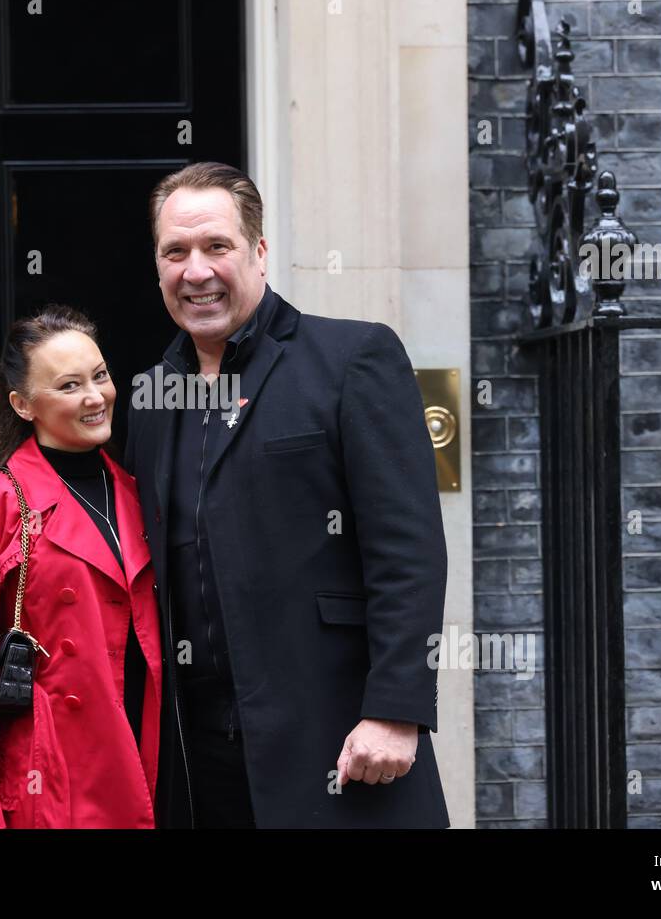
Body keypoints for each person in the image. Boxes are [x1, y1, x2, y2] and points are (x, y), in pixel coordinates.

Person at [123, 162, 450, 828]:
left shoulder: (351, 358)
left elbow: (407, 551)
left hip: (337, 740)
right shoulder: (150, 396)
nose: (196, 270)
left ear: (260, 252)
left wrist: (396, 709)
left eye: (217, 246)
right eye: (175, 252)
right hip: (196, 760)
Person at [0, 305, 162, 828]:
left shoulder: (135, 492)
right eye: (68, 386)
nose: (94, 397)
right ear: (22, 404)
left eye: (100, 376)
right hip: (51, 785)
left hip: (142, 767)